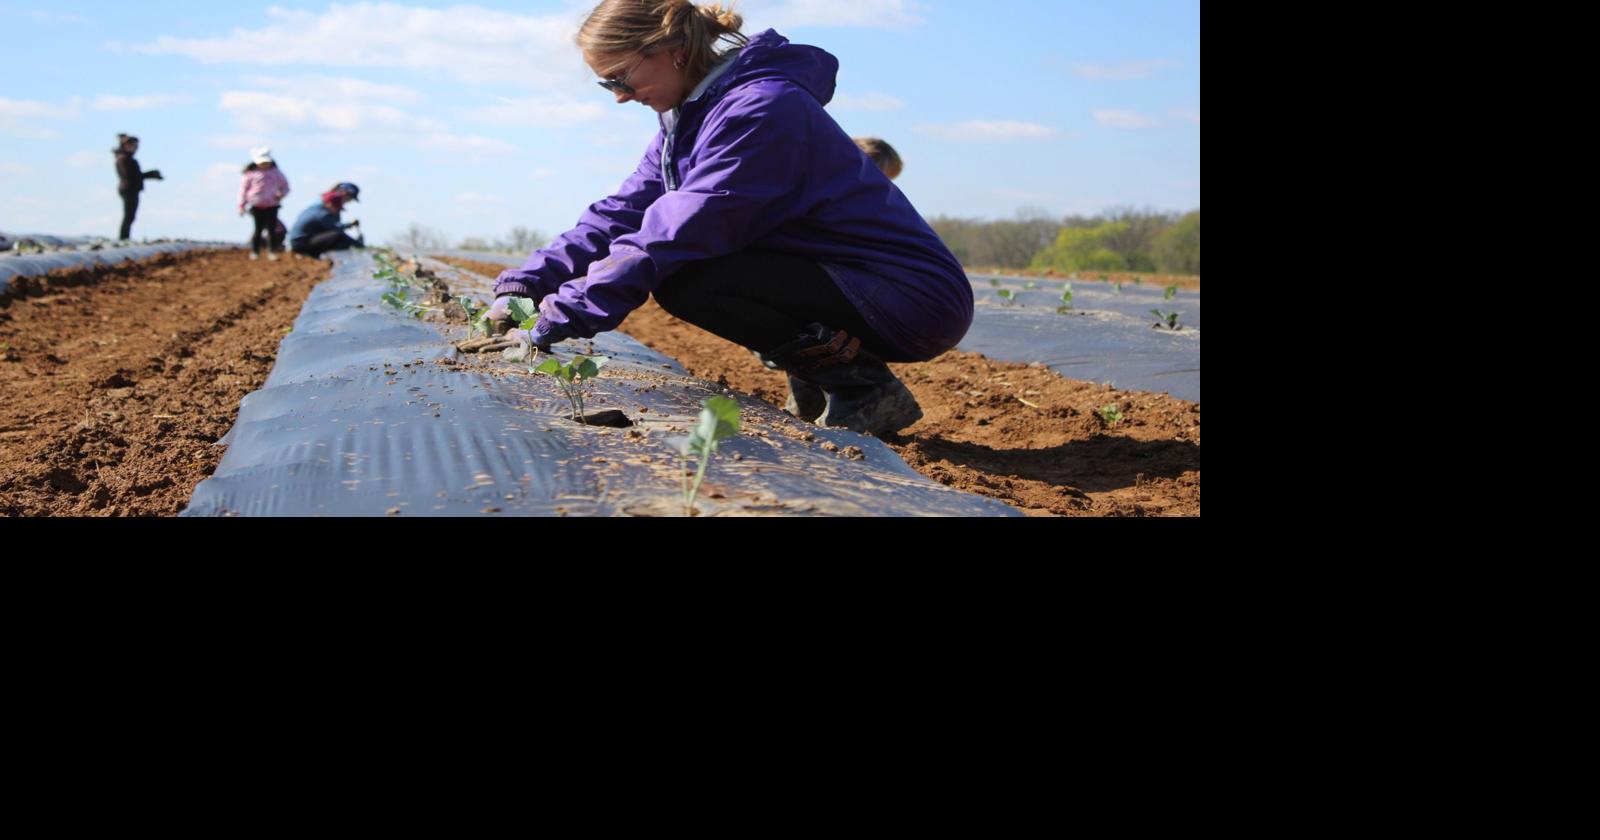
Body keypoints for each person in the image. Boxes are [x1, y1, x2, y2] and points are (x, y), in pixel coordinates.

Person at [460, 0, 971, 437]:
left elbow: (673, 234)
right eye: (604, 83)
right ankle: (822, 374)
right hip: (848, 282)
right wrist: (526, 286)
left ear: (673, 52)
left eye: (620, 77)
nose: (618, 95)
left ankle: (863, 388)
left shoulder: (760, 110)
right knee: (692, 269)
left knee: (688, 276)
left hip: (908, 298)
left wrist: (555, 319)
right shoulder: (688, 120)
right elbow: (621, 213)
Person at [239, 147, 291, 261]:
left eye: (266, 162)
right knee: (258, 229)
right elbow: (243, 190)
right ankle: (255, 252)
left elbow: (286, 186)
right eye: (262, 163)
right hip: (256, 205)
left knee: (272, 229)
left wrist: (282, 194)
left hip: (272, 205)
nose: (264, 165)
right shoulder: (250, 174)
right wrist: (241, 205)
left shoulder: (276, 173)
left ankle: (272, 252)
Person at [288, 183, 364, 258]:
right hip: (302, 242)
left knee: (338, 237)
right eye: (350, 198)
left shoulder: (324, 203)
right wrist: (358, 245)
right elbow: (334, 228)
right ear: (345, 193)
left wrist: (349, 225)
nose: (349, 201)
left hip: (303, 239)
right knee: (338, 237)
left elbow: (332, 226)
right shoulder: (323, 211)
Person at [113, 134, 163, 241]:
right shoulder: (123, 159)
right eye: (133, 145)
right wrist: (150, 174)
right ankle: (123, 238)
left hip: (130, 189)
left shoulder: (126, 158)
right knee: (129, 215)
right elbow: (130, 176)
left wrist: (150, 175)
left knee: (130, 216)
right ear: (126, 145)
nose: (135, 148)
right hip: (128, 189)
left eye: (136, 146)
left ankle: (124, 238)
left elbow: (135, 176)